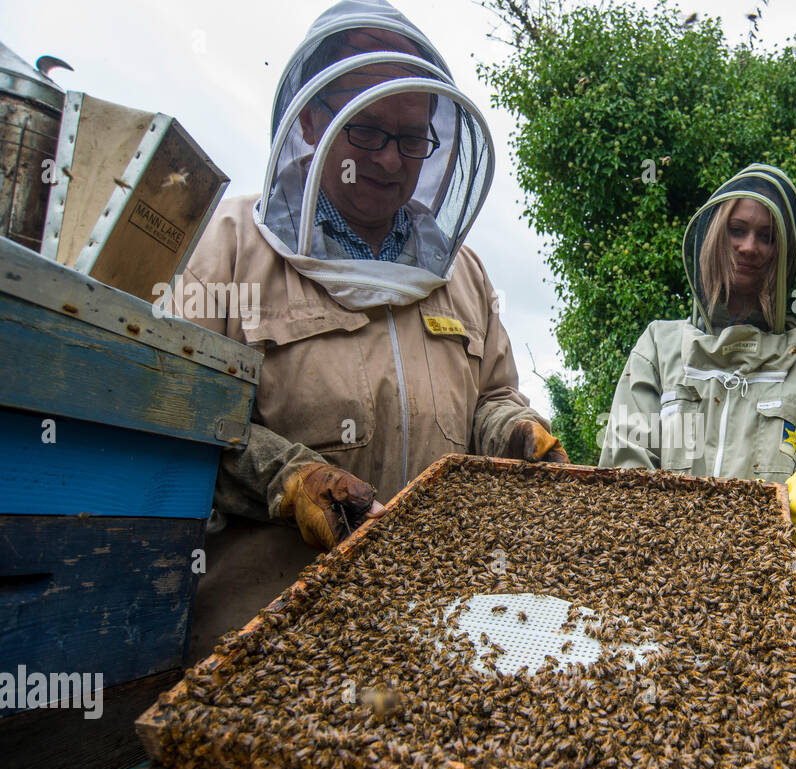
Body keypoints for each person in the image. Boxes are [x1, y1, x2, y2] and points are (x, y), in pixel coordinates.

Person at [184, 0, 565, 655]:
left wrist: (518, 434)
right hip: (267, 639)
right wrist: (292, 480)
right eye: (366, 131)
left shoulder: (462, 273)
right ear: (309, 117)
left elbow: (492, 399)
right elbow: (176, 418)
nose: (390, 160)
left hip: (430, 636)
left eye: (412, 139)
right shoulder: (230, 246)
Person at [598, 165, 796, 750]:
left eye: (767, 236)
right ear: (713, 238)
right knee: (655, 758)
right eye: (738, 230)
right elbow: (623, 461)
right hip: (664, 590)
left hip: (781, 600)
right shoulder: (660, 345)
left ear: (784, 254)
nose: (750, 246)